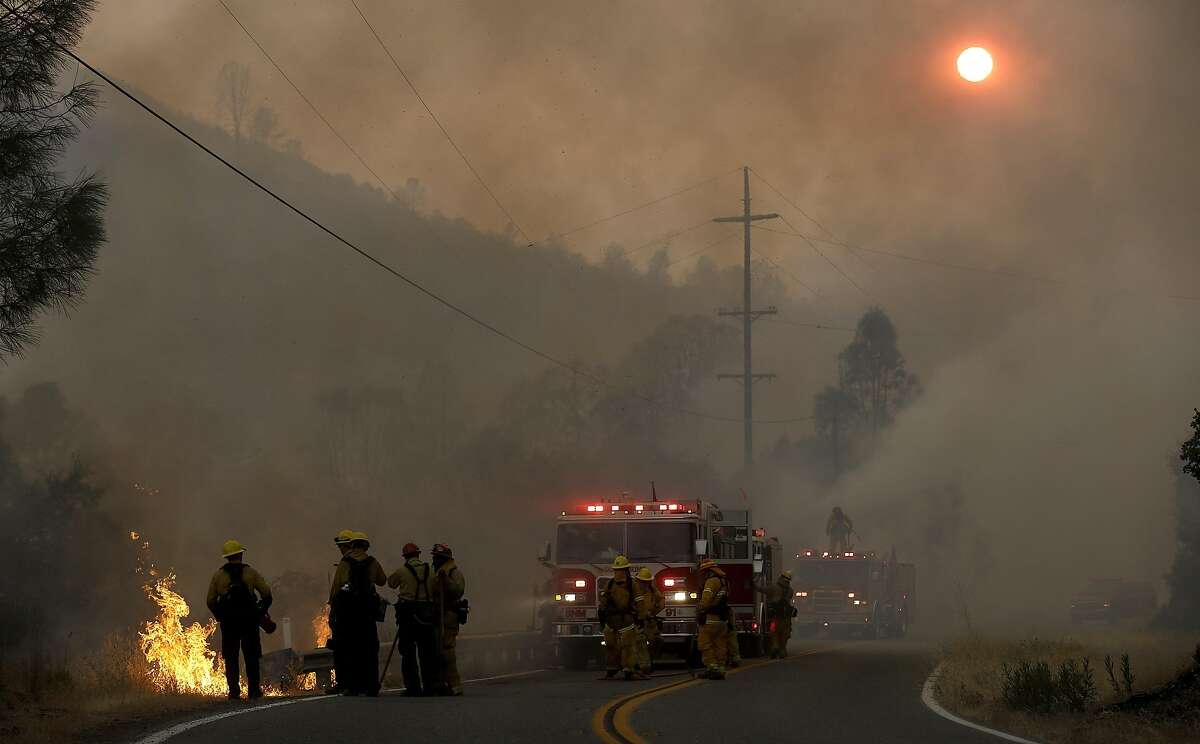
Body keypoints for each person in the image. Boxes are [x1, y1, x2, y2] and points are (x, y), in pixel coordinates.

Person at [206, 539, 272, 700]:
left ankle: (234, 692)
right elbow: (267, 594)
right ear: (241, 554)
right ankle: (254, 690)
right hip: (249, 620)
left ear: (226, 557)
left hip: (229, 622)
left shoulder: (218, 575)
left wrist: (220, 616)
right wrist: (260, 612)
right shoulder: (250, 573)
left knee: (231, 656)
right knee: (252, 655)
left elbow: (210, 601)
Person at [329, 531, 387, 696]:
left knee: (351, 649)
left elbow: (336, 587)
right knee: (369, 649)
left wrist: (333, 610)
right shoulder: (372, 562)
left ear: (352, 545)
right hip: (367, 614)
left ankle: (354, 686)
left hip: (349, 614)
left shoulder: (345, 563)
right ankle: (372, 686)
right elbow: (382, 580)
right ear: (366, 546)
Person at [387, 543, 438, 696]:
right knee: (427, 653)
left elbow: (391, 583)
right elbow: (436, 588)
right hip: (427, 616)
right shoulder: (430, 571)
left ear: (405, 557)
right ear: (418, 555)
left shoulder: (402, 571)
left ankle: (413, 688)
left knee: (408, 653)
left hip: (408, 617)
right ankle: (429, 686)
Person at [598, 555, 643, 679]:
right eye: (616, 570)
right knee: (610, 645)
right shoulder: (610, 583)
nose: (618, 573)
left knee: (628, 645)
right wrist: (602, 616)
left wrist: (641, 617)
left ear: (625, 571)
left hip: (626, 620)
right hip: (612, 620)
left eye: (620, 570)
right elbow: (603, 602)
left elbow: (639, 601)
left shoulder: (632, 584)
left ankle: (628, 669)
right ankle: (611, 669)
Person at [430, 543, 467, 696]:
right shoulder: (438, 571)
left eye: (437, 557)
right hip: (438, 615)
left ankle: (454, 684)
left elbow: (458, 591)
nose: (434, 560)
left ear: (444, 559)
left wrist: (446, 581)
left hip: (449, 616)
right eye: (434, 557)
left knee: (447, 652)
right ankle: (440, 683)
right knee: (437, 651)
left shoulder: (453, 573)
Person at [325, 529, 355, 695]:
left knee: (341, 649)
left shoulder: (346, 562)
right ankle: (355, 681)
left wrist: (337, 602)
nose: (340, 549)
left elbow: (343, 586)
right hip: (356, 613)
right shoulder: (363, 562)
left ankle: (344, 682)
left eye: (341, 546)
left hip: (343, 613)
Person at [695, 558, 729, 680]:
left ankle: (712, 668)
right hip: (722, 620)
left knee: (705, 644)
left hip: (710, 619)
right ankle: (720, 668)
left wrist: (699, 609)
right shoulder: (724, 581)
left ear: (708, 571)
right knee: (720, 644)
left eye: (704, 572)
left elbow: (706, 600)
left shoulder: (711, 582)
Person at [754, 570, 795, 658]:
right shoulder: (791, 590)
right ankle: (782, 651)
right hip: (786, 618)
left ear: (781, 577)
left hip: (775, 617)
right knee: (785, 634)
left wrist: (754, 586)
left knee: (774, 632)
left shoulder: (774, 587)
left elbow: (763, 590)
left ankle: (775, 648)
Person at [632, 567, 664, 673]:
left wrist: (653, 612)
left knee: (657, 641)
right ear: (638, 581)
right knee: (639, 642)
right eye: (642, 582)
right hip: (637, 622)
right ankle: (642, 665)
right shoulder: (633, 592)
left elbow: (661, 602)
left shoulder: (652, 591)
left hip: (650, 622)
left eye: (647, 582)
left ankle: (650, 660)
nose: (644, 584)